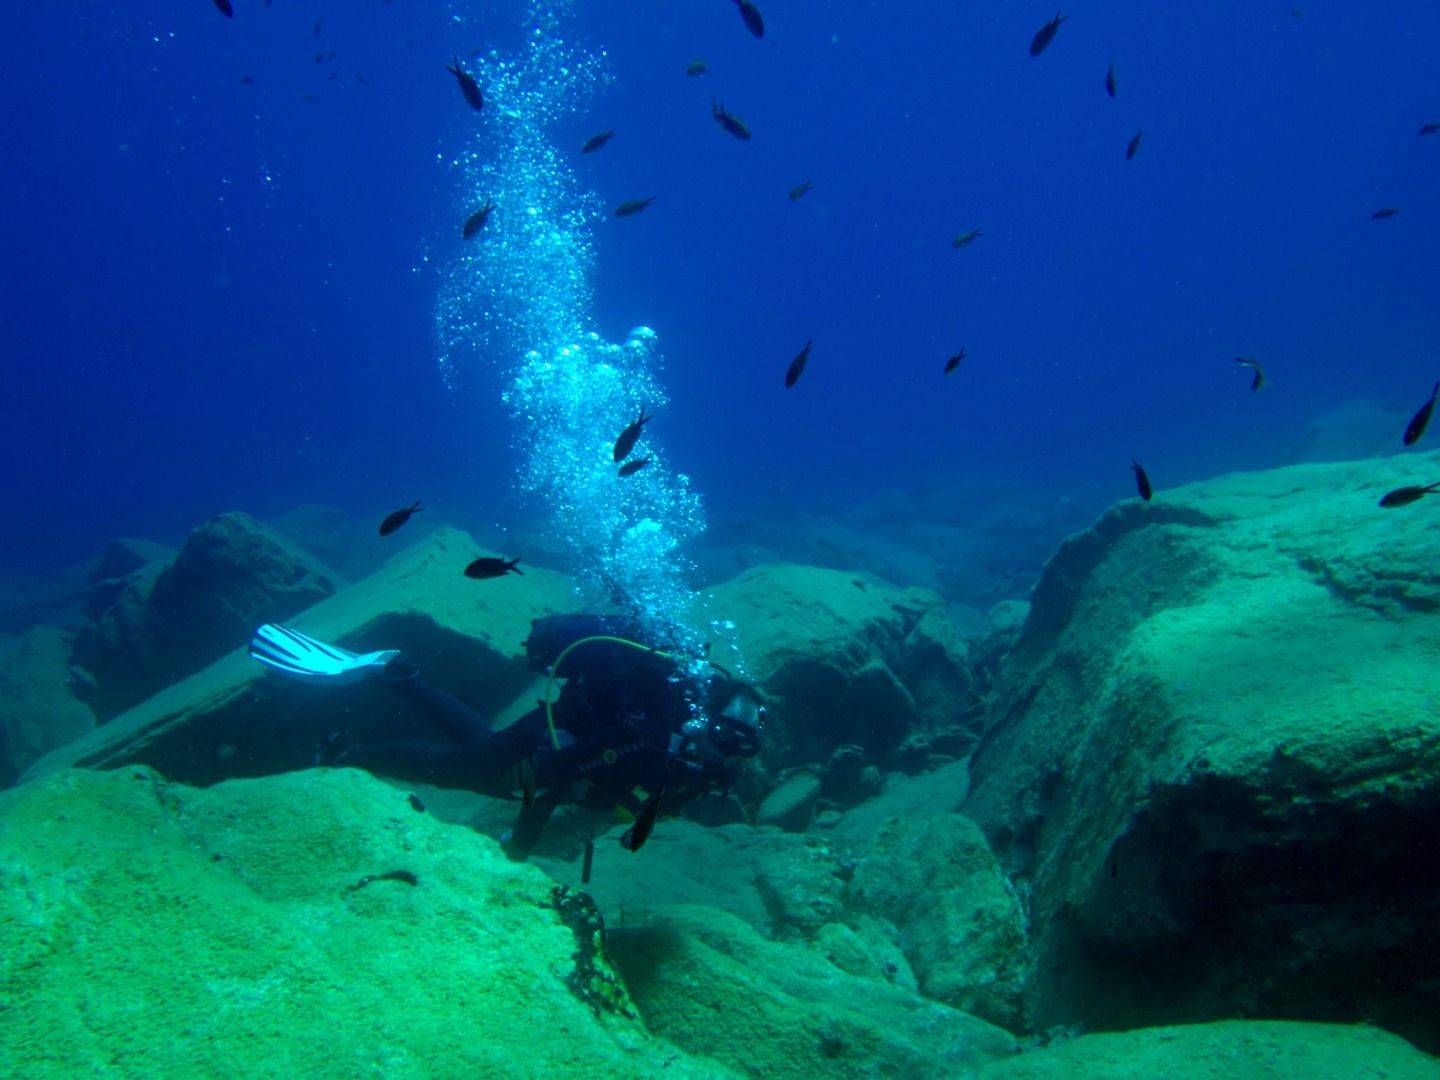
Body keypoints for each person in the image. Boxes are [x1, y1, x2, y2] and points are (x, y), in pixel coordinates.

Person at [248, 615, 762, 856]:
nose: (731, 756)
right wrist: (519, 847)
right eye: (728, 738)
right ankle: (345, 755)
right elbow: (560, 772)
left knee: (476, 753)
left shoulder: (693, 761)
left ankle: (406, 680)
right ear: (706, 718)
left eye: (745, 746)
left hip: (566, 749)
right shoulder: (652, 732)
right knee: (459, 769)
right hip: (552, 744)